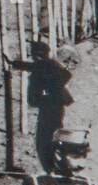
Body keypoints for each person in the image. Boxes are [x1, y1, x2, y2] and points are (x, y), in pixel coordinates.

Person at [8, 39, 74, 173]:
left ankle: (57, 172)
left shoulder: (47, 66)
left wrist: (48, 94)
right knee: (49, 140)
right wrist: (15, 64)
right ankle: (60, 169)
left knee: (44, 142)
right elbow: (33, 66)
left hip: (51, 109)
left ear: (38, 54)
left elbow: (64, 74)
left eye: (33, 53)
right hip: (53, 108)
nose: (31, 55)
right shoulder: (47, 65)